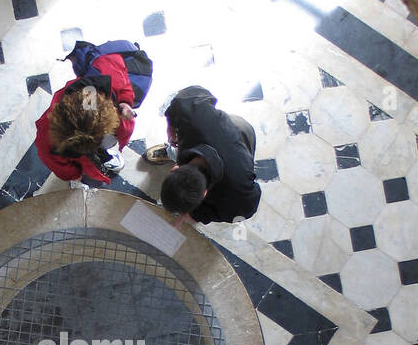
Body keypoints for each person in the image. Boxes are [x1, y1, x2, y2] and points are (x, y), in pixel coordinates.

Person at [35, 40, 153, 184]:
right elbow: (52, 158)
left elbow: (121, 77)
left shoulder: (107, 71)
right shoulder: (46, 137)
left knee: (104, 143)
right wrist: (73, 174)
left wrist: (124, 101)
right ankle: (97, 152)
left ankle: (98, 151)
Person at [151, 85, 260, 226]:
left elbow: (251, 203)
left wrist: (198, 216)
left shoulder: (236, 195)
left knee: (239, 127)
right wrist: (171, 127)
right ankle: (172, 151)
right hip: (216, 128)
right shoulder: (191, 115)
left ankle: (173, 152)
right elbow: (188, 95)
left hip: (242, 134)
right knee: (175, 147)